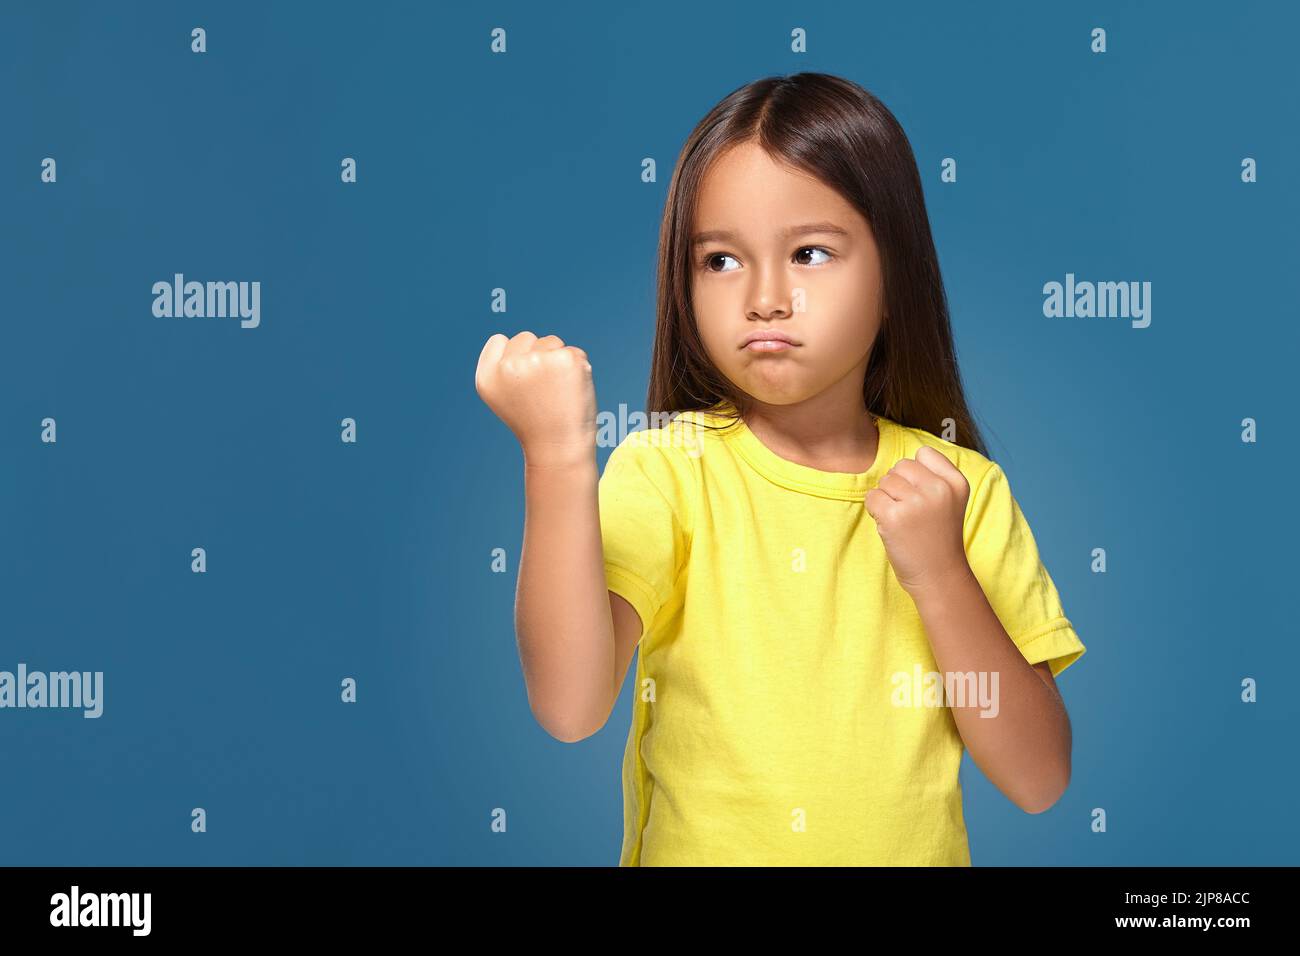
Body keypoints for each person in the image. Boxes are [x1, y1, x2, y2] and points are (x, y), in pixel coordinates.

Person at [475, 72, 1086, 866]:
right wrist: (555, 456)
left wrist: (939, 573)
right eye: (721, 261)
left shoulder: (963, 490)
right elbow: (569, 706)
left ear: (894, 274)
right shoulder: (670, 471)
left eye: (809, 253)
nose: (765, 297)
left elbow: (1040, 778)